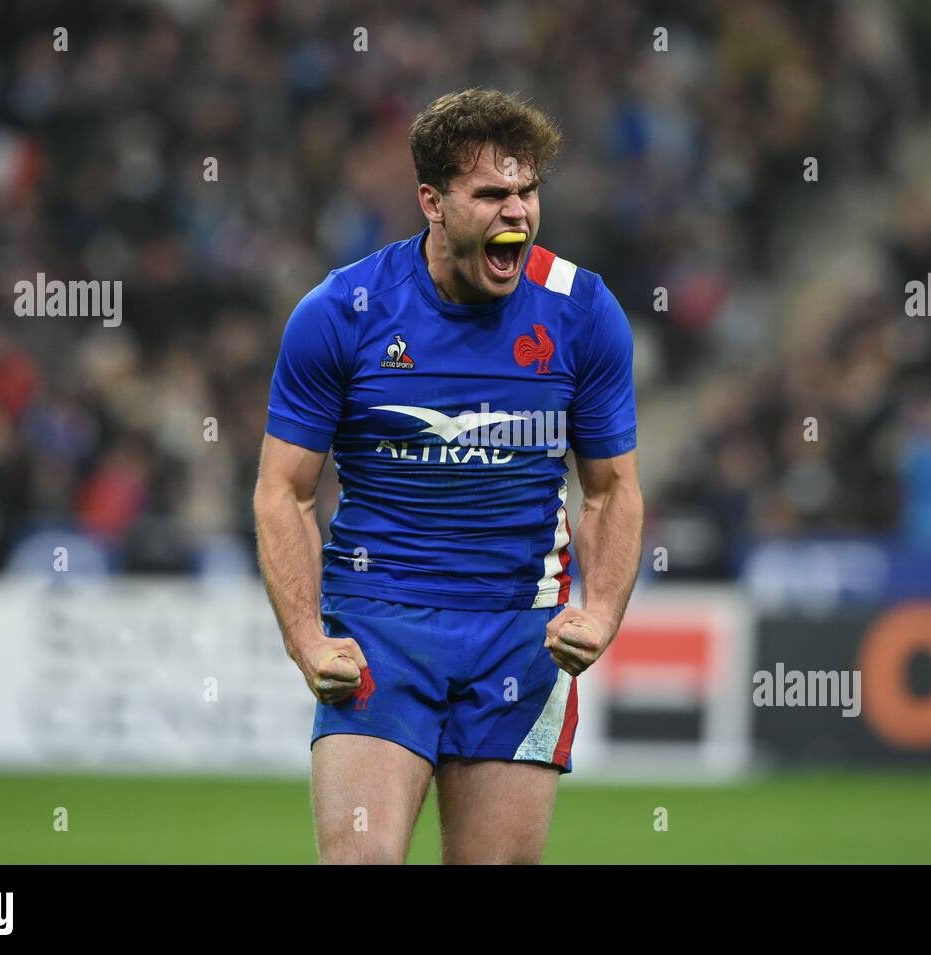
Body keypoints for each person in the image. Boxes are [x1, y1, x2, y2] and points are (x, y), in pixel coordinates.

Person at [253, 88, 643, 864]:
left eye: (528, 190)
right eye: (492, 194)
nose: (518, 213)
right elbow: (283, 491)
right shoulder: (343, 312)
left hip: (519, 634)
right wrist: (305, 639)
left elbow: (610, 488)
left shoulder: (584, 311)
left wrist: (600, 610)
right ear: (431, 201)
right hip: (380, 627)